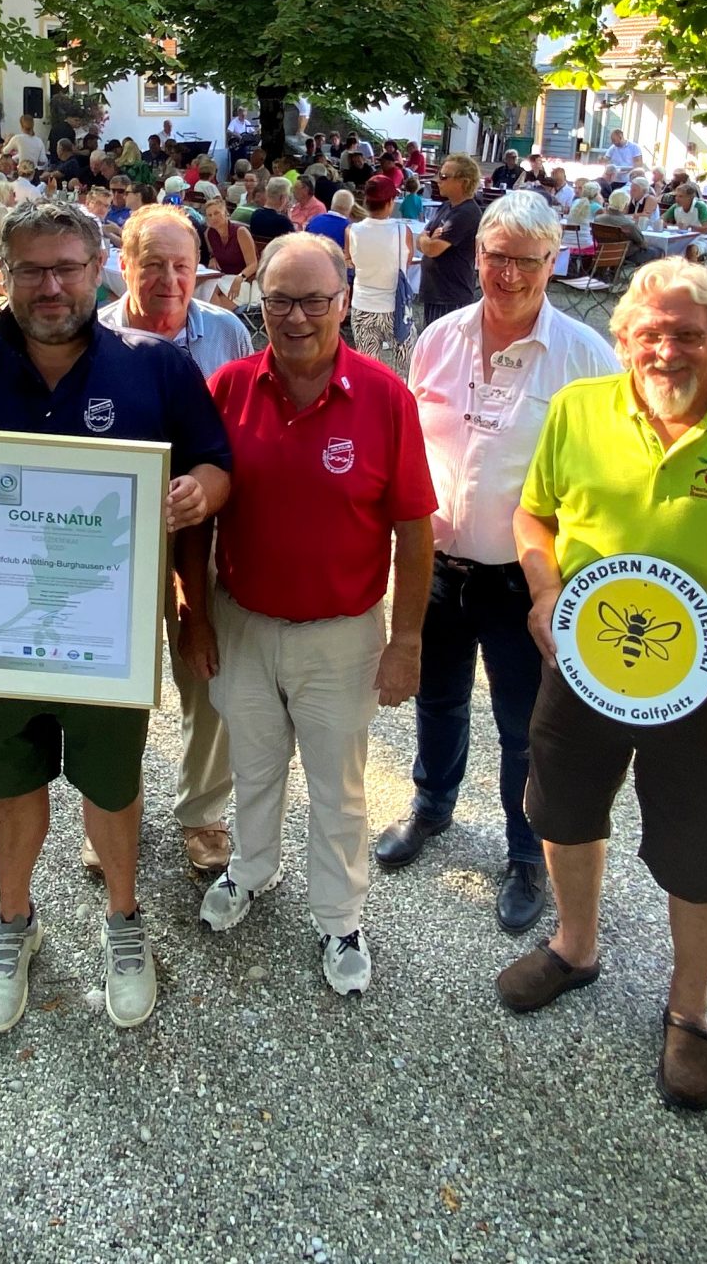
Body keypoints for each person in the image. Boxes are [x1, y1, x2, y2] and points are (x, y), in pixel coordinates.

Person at [0, 199, 234, 1035]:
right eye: (32, 269)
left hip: (104, 635)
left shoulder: (154, 368)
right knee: (13, 784)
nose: (51, 286)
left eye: (67, 268)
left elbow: (216, 464)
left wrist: (197, 493)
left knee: (112, 786)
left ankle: (122, 920)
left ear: (97, 269)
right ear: (2, 274)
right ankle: (13, 921)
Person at [494, 259, 707, 1113]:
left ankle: (690, 1007)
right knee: (563, 815)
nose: (668, 350)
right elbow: (535, 513)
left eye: (688, 334)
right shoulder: (578, 409)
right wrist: (541, 588)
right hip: (586, 664)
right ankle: (575, 946)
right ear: (624, 342)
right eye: (650, 334)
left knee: (701, 855)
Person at [178, 234, 434, 996]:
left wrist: (408, 639)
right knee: (252, 769)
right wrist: (195, 613)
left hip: (342, 635)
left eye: (313, 301)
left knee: (338, 788)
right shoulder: (227, 387)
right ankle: (251, 870)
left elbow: (415, 529)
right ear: (260, 302)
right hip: (243, 623)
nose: (295, 317)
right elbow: (195, 517)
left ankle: (341, 915)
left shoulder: (386, 397)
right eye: (279, 300)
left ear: (345, 302)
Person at [376, 194, 621, 929]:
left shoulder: (586, 356)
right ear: (475, 255)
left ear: (554, 262)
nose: (508, 274)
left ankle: (524, 851)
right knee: (438, 698)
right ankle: (432, 805)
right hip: (440, 564)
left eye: (526, 259)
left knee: (525, 724)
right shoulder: (439, 338)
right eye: (496, 256)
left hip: (527, 580)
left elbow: (607, 476)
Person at [95, 206, 253, 872]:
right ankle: (109, 807)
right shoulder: (89, 336)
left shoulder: (226, 333)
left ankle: (202, 812)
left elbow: (246, 439)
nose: (168, 278)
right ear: (123, 267)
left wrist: (208, 485)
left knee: (207, 674)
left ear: (199, 270)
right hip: (110, 541)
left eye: (182, 265)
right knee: (109, 683)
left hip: (208, 534)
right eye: (152, 264)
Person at [344, 182, 415, 371]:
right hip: (395, 306)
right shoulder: (402, 231)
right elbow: (406, 264)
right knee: (405, 367)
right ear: (390, 202)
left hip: (363, 304)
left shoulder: (352, 231)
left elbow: (349, 260)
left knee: (368, 369)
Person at [417, 152, 483, 325]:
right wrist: (426, 239)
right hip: (437, 293)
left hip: (450, 296)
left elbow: (431, 249)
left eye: (444, 176)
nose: (438, 180)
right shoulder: (447, 206)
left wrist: (427, 240)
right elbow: (422, 239)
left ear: (463, 182)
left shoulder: (466, 213)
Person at [202, 188, 257, 304]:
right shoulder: (210, 233)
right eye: (209, 215)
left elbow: (254, 264)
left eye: (216, 213)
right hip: (224, 278)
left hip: (246, 280)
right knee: (203, 292)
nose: (213, 218)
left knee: (215, 305)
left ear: (225, 213)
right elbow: (215, 252)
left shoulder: (240, 232)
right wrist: (213, 257)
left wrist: (240, 277)